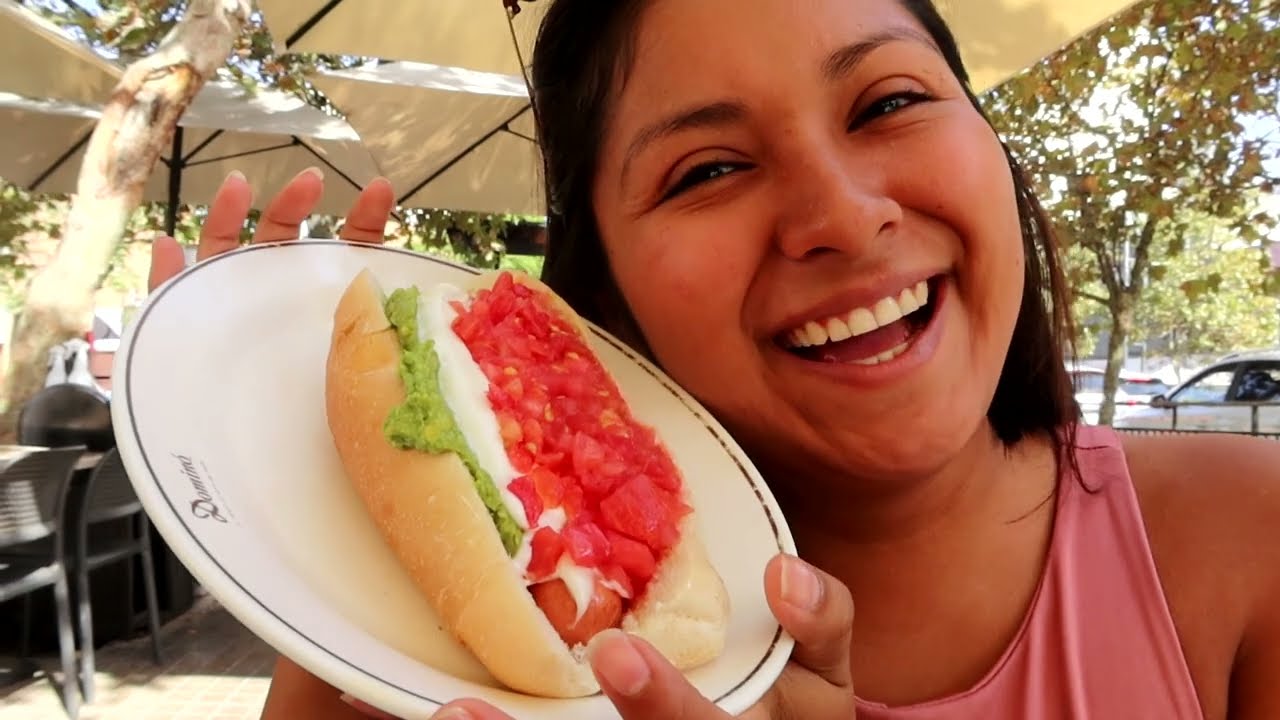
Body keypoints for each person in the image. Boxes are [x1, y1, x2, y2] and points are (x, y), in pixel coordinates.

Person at [148, 1, 1280, 718]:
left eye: (889, 101)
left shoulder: (1254, 538)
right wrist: (322, 571)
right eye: (708, 170)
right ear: (602, 295)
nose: (841, 216)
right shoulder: (497, 661)